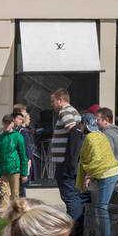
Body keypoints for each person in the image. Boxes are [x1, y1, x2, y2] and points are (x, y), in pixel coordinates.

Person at [75, 112, 118, 236]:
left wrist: (88, 176)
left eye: (81, 124)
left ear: (85, 125)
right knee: (100, 206)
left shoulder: (90, 138)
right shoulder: (100, 134)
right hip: (110, 170)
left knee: (101, 207)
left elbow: (96, 159)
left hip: (107, 173)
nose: (80, 127)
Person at [49, 89, 83, 227]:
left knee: (70, 196)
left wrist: (71, 159)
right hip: (69, 161)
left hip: (65, 162)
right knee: (73, 196)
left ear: (60, 100)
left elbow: (73, 130)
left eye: (53, 101)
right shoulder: (73, 111)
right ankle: (76, 227)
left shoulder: (65, 111)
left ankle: (73, 228)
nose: (52, 104)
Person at [0, 113, 29, 211]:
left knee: (15, 193)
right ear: (2, 124)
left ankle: (15, 214)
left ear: (13, 124)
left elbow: (23, 155)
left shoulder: (18, 137)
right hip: (3, 170)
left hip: (15, 169)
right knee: (4, 192)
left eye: (9, 123)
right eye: (5, 123)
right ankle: (2, 214)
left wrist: (24, 173)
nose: (7, 125)